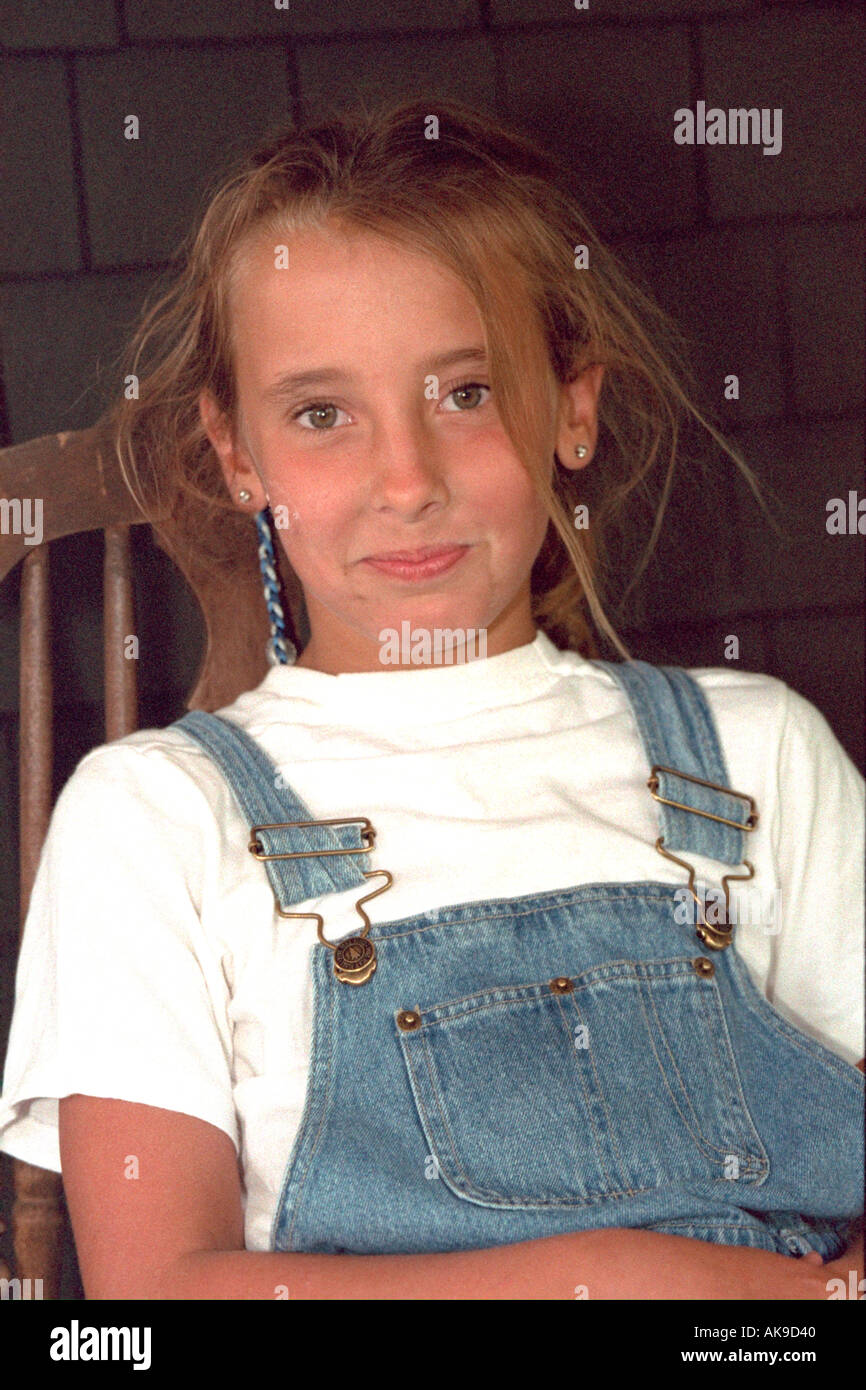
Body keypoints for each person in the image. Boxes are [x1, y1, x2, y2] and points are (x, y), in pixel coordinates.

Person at [0, 97, 862, 1301]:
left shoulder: (754, 755)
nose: (405, 481)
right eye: (320, 415)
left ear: (574, 406)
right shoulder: (155, 817)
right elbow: (158, 1301)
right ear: (238, 453)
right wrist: (612, 1280)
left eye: (465, 393)